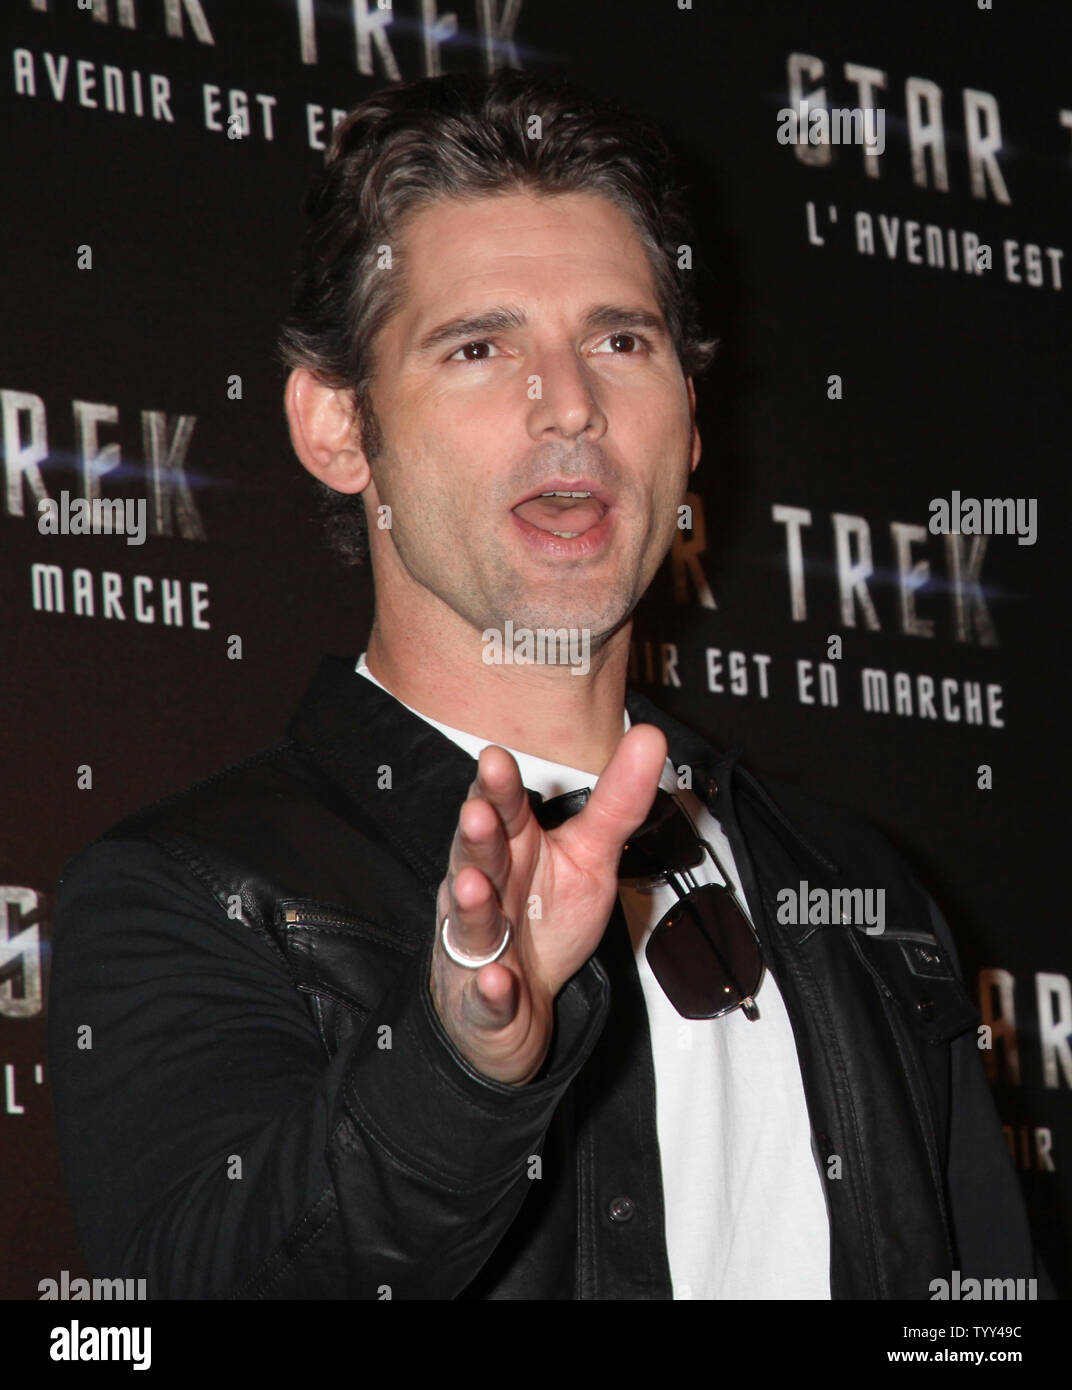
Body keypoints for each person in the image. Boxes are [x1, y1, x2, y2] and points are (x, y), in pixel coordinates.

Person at [48, 69, 1045, 1301]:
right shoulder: (193, 895)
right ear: (339, 430)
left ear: (688, 427)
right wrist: (460, 1068)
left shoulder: (856, 891)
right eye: (479, 346)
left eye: (620, 340)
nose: (568, 402)